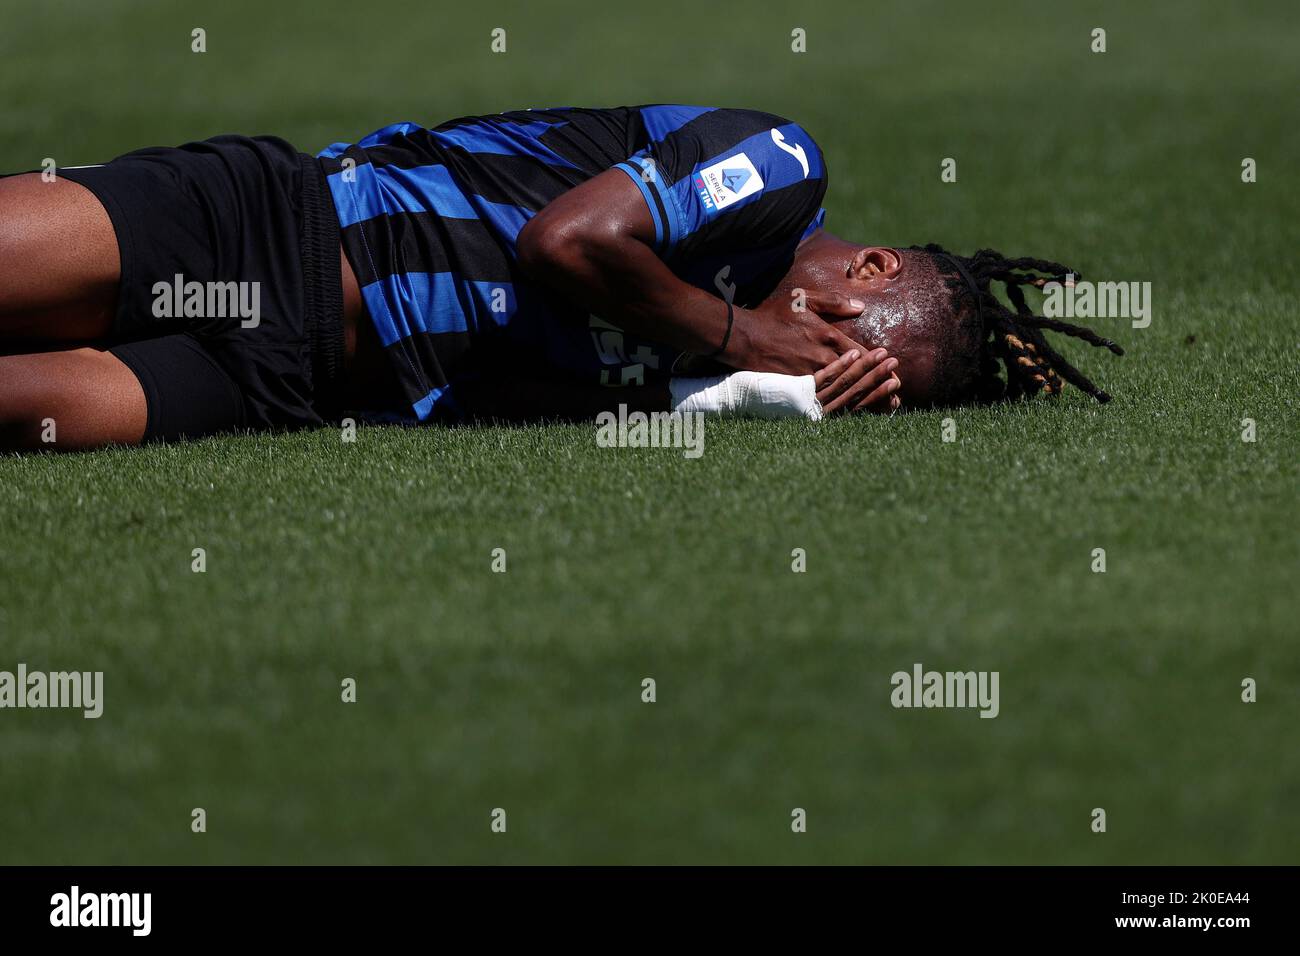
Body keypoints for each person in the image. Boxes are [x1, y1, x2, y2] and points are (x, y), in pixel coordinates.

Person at [0, 105, 1120, 449]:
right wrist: (739, 338)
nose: (827, 371)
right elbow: (564, 244)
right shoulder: (778, 170)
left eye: (858, 386)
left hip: (293, 384)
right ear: (868, 269)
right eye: (851, 343)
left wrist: (718, 384)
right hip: (269, 226)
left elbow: (517, 388)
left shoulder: (702, 374)